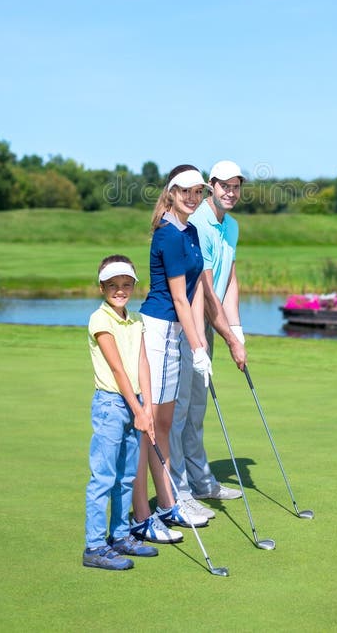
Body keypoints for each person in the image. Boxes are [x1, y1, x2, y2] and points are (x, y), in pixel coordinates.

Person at [131, 165, 214, 544]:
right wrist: (196, 347)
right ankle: (143, 514)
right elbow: (178, 298)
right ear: (171, 193)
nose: (193, 198)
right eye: (186, 191)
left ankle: (167, 504)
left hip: (177, 332)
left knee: (163, 424)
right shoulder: (167, 234)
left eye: (198, 192)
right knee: (152, 425)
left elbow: (195, 294)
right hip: (159, 331)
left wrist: (199, 343)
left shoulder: (190, 231)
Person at [169, 159, 247, 516]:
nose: (230, 192)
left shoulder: (231, 226)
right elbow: (207, 288)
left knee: (197, 408)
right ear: (211, 186)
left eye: (236, 186)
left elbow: (229, 281)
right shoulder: (198, 221)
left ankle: (201, 482)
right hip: (187, 326)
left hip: (210, 325)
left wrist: (237, 330)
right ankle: (179, 490)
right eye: (224, 185)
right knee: (181, 409)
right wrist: (230, 339)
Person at [83, 254, 157, 571]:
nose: (120, 290)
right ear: (102, 287)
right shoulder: (99, 320)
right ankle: (94, 546)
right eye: (112, 284)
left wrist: (148, 407)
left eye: (126, 284)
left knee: (126, 476)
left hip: (135, 402)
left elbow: (142, 364)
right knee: (104, 477)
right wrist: (137, 409)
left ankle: (120, 536)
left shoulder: (136, 320)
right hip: (111, 405)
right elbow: (117, 369)